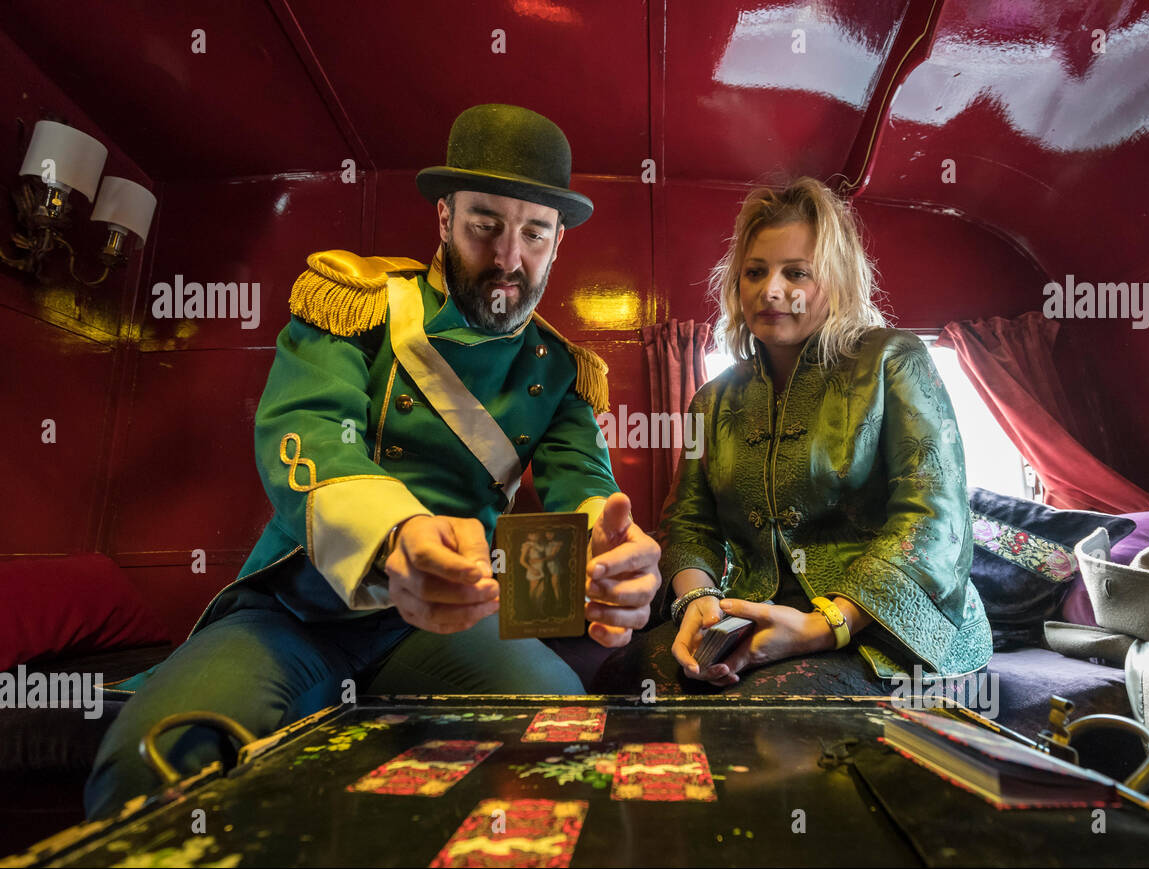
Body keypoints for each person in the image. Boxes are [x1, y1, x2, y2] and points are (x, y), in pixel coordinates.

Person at [84, 104, 661, 820]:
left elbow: (587, 490)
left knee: (558, 734)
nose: (510, 258)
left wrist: (615, 555)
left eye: (534, 232)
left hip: (446, 623)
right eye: (486, 223)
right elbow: (311, 433)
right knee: (156, 757)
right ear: (444, 218)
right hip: (296, 608)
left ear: (557, 243)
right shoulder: (354, 303)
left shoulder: (565, 374)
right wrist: (398, 538)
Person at [595, 177, 991, 694]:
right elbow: (688, 526)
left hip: (880, 627)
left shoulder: (894, 360)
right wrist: (697, 605)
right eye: (755, 272)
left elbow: (935, 519)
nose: (771, 289)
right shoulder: (712, 401)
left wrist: (821, 626)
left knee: (769, 709)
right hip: (755, 614)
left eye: (796, 273)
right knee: (626, 677)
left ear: (838, 281)